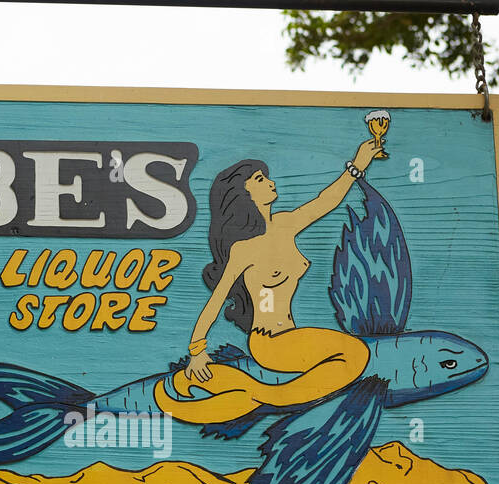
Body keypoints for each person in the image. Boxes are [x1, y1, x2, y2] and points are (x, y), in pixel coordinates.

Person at [154, 139, 387, 425]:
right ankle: (264, 394)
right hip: (269, 343)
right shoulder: (243, 249)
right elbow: (216, 300)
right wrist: (197, 351)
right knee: (355, 353)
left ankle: (255, 394)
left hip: (290, 336)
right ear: (243, 194)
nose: (271, 182)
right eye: (260, 179)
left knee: (353, 355)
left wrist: (357, 165)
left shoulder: (285, 225)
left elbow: (325, 201)